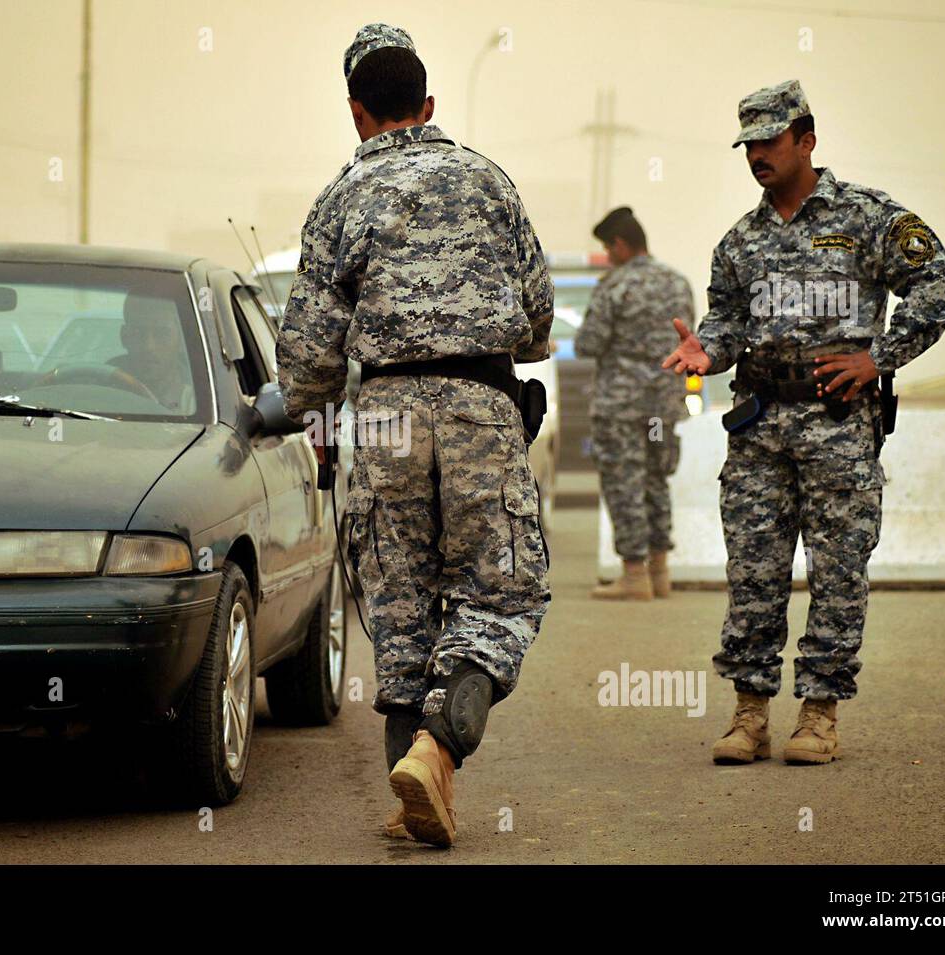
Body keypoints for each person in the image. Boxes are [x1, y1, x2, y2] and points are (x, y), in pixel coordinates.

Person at [275, 24, 554, 845]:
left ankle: (415, 792)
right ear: (428, 105)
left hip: (386, 417)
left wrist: (311, 409)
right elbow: (537, 318)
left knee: (398, 607)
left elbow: (306, 358)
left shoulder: (339, 198)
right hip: (479, 404)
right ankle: (438, 746)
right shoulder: (487, 180)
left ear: (357, 112)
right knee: (499, 591)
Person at [662, 80, 945, 765]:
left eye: (770, 141)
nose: (757, 155)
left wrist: (879, 356)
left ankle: (819, 714)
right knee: (755, 573)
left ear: (807, 139)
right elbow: (727, 322)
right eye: (749, 145)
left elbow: (941, 280)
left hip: (838, 428)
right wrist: (706, 350)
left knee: (836, 574)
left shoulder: (869, 217)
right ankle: (749, 714)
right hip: (759, 429)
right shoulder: (740, 241)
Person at [575, 207, 693, 600]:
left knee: (624, 483)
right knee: (655, 480)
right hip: (662, 405)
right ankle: (661, 573)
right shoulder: (678, 283)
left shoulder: (615, 285)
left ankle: (633, 575)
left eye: (609, 248)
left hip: (620, 406)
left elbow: (589, 343)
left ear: (621, 245)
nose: (608, 256)